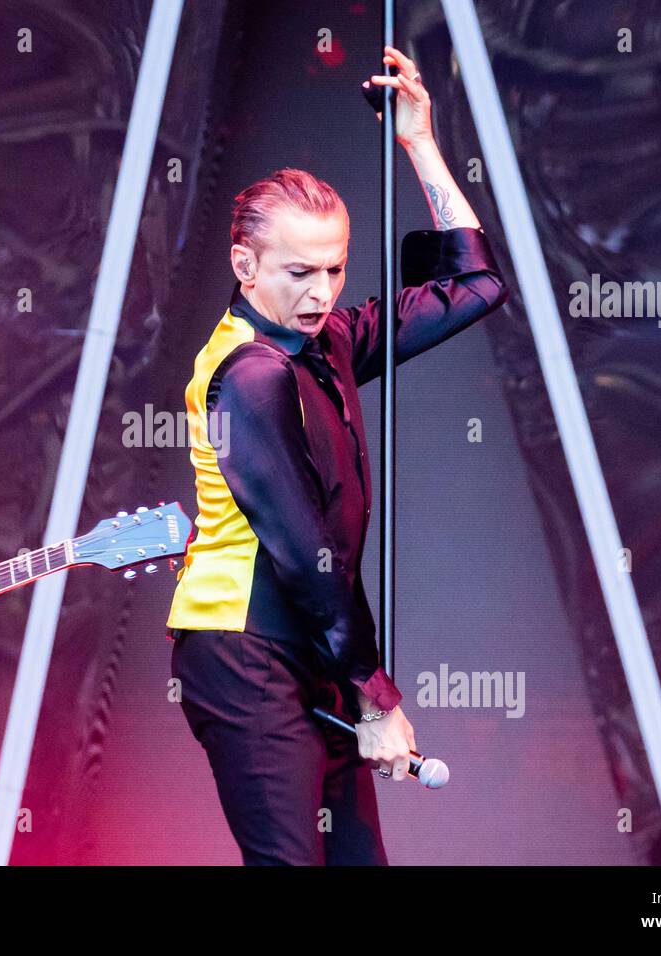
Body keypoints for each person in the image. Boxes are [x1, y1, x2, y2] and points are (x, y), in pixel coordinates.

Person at [166, 47, 509, 865]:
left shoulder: (323, 341)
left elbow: (476, 286)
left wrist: (420, 144)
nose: (322, 293)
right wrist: (378, 695)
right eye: (299, 273)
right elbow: (307, 558)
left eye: (335, 269)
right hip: (245, 653)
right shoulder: (248, 377)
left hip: (313, 651)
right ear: (244, 266)